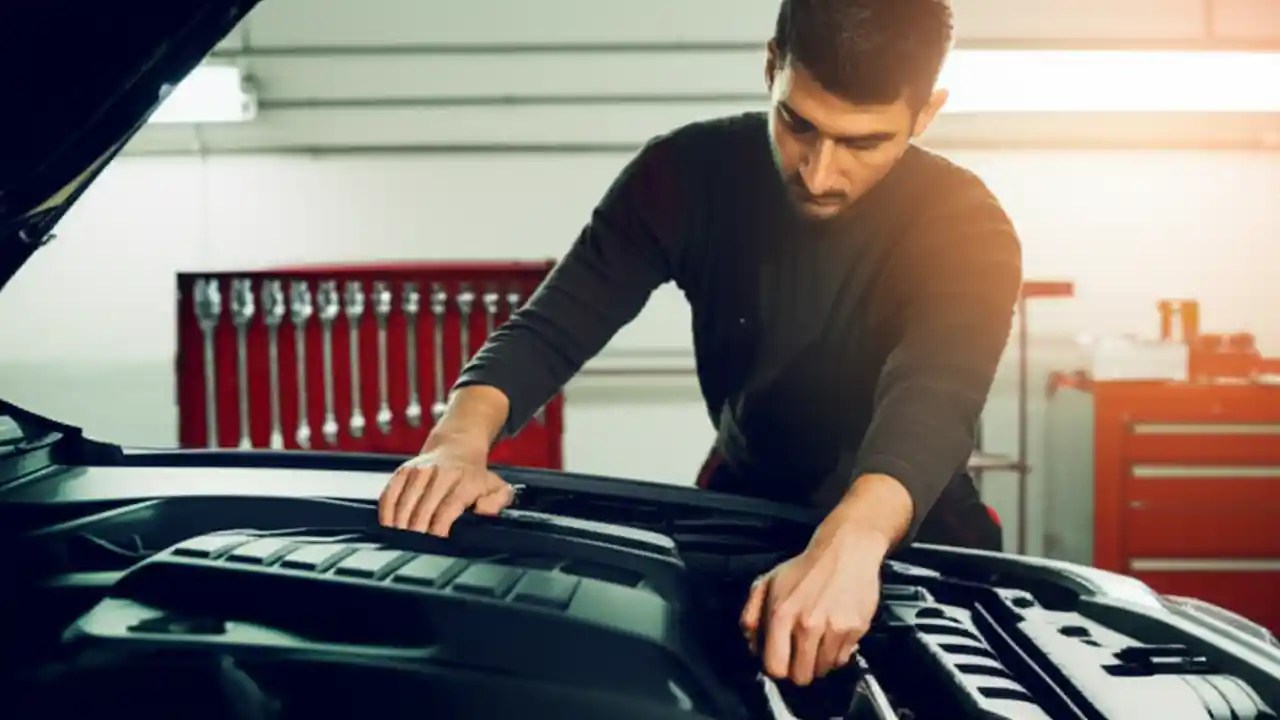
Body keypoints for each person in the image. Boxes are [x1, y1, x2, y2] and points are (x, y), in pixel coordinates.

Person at [378, 0, 1021, 688]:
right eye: (797, 123)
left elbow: (935, 394)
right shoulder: (685, 174)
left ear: (926, 115)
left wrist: (854, 540)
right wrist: (457, 443)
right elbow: (553, 325)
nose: (819, 173)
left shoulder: (968, 229)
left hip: (911, 530)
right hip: (742, 507)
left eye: (863, 143)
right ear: (771, 66)